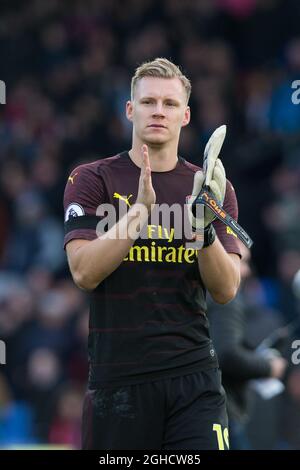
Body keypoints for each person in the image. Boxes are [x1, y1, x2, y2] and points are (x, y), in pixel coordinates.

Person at [63, 58, 241, 450]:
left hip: (194, 378)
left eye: (170, 103)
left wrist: (202, 227)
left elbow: (226, 289)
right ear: (130, 110)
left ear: (186, 115)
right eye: (148, 102)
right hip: (118, 382)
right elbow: (83, 272)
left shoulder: (211, 189)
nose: (158, 111)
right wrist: (139, 212)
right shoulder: (92, 179)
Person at [209, 241, 287, 449]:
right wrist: (270, 367)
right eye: (241, 260)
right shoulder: (226, 297)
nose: (246, 271)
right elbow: (226, 354)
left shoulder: (197, 291)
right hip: (222, 410)